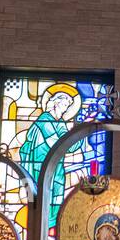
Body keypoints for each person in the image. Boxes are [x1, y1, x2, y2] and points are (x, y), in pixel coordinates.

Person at [18, 86, 78, 225]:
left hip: (56, 166)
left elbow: (69, 146)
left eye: (67, 106)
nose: (65, 109)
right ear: (55, 103)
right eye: (64, 104)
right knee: (42, 194)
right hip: (40, 164)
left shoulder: (61, 123)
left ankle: (52, 227)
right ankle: (39, 227)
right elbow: (56, 142)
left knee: (55, 195)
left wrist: (79, 134)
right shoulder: (44, 120)